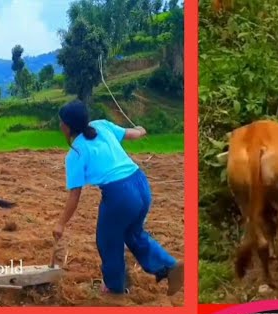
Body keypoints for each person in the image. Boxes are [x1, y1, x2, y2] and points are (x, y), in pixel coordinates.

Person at [52, 99, 183, 297]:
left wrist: (60, 223)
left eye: (61, 121)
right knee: (133, 233)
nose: (60, 125)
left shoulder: (76, 152)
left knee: (107, 240)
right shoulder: (101, 125)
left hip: (119, 195)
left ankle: (114, 288)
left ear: (67, 126)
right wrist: (141, 129)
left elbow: (74, 196)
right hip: (140, 183)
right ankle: (169, 266)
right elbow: (133, 134)